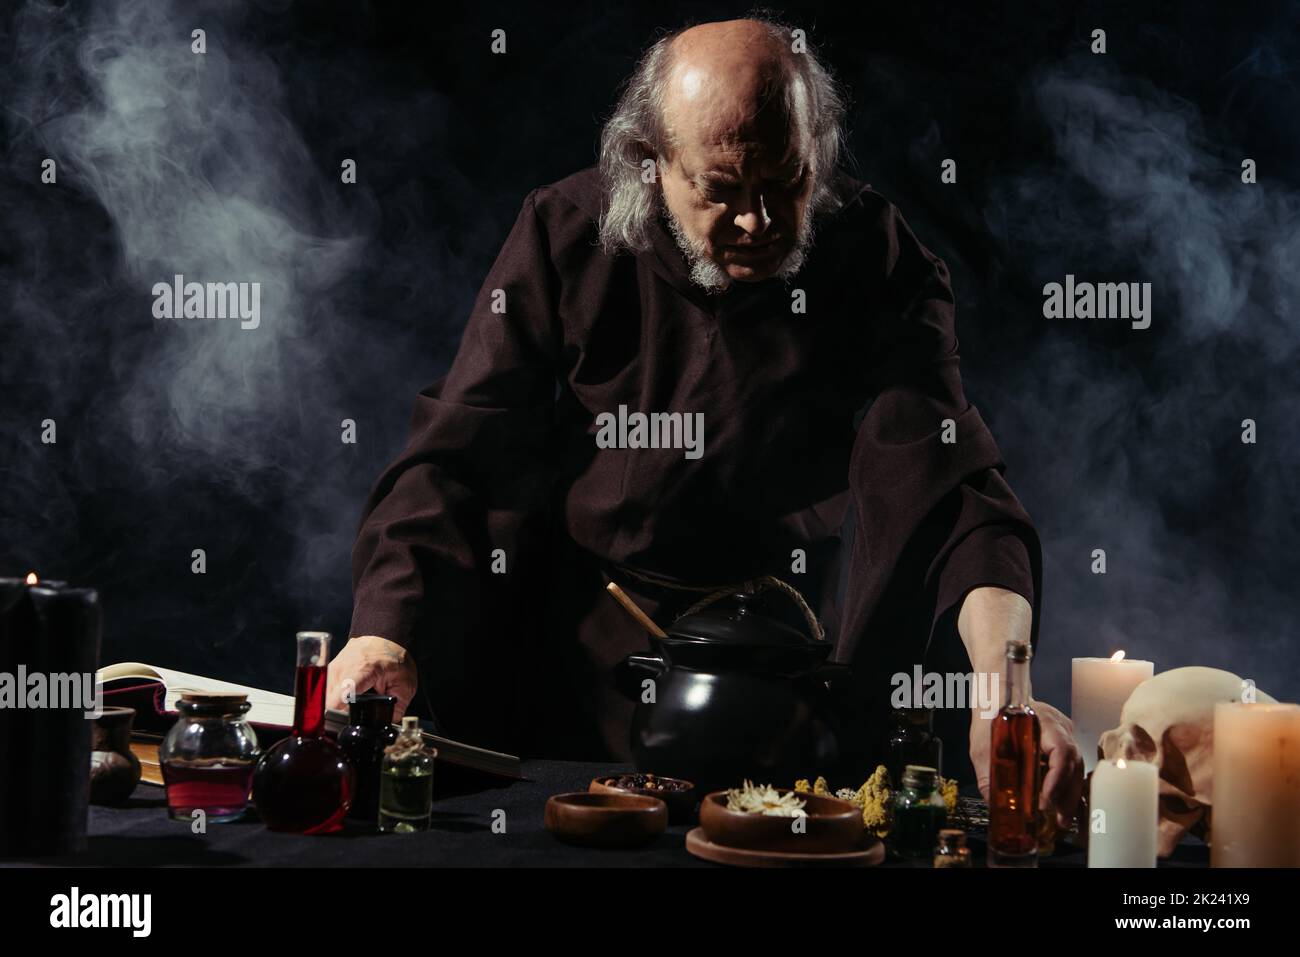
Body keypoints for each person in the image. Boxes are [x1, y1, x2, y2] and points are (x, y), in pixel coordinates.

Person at [329, 18, 1083, 829]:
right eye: (720, 190)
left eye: (783, 182)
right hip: (584, 672)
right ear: (649, 164)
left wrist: (1008, 695)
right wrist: (385, 632)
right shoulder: (563, 233)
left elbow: (954, 484)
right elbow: (461, 449)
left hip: (785, 671)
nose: (757, 222)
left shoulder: (876, 255)